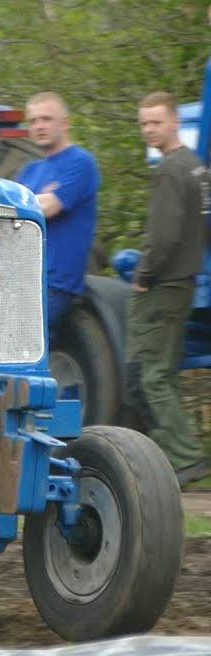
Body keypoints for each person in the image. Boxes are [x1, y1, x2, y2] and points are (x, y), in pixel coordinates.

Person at [130, 91, 210, 487]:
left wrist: (144, 275)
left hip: (164, 285)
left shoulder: (168, 170)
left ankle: (185, 456)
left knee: (152, 376)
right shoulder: (197, 168)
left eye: (156, 122)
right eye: (144, 123)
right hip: (188, 283)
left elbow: (162, 237)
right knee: (165, 373)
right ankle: (172, 454)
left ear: (175, 122)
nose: (149, 130)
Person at [14, 92, 100, 330]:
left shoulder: (80, 162)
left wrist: (30, 202)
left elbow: (48, 208)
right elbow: (7, 212)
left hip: (54, 283)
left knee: (25, 356)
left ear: (65, 123)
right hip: (22, 280)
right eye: (33, 121)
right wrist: (38, 199)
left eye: (46, 119)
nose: (39, 126)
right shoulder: (32, 169)